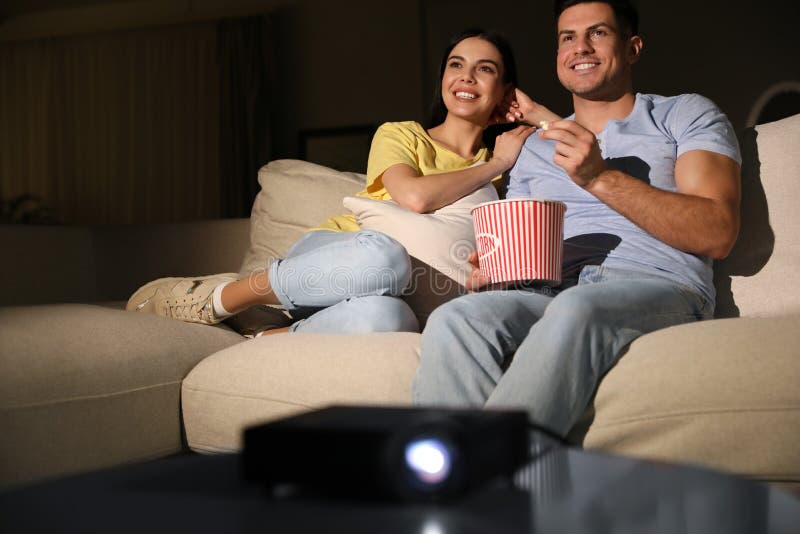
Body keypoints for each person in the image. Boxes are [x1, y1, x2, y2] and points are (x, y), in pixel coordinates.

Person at [413, 0, 742, 437]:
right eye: (567, 37)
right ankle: (465, 480)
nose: (580, 47)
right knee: (458, 319)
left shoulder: (683, 114)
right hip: (549, 292)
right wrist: (496, 272)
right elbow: (522, 252)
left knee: (575, 307)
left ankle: (485, 477)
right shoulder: (532, 148)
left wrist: (600, 178)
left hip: (658, 286)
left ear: (633, 48)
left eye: (598, 33)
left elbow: (717, 231)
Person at [126, 28, 558, 335]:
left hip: (401, 298)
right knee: (386, 259)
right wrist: (493, 163)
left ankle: (269, 336)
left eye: (484, 69)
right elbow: (413, 197)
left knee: (391, 323)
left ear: (504, 89)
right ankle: (221, 299)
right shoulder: (402, 134)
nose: (466, 76)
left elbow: (585, 157)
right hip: (343, 257)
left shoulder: (510, 167)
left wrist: (536, 113)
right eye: (455, 64)